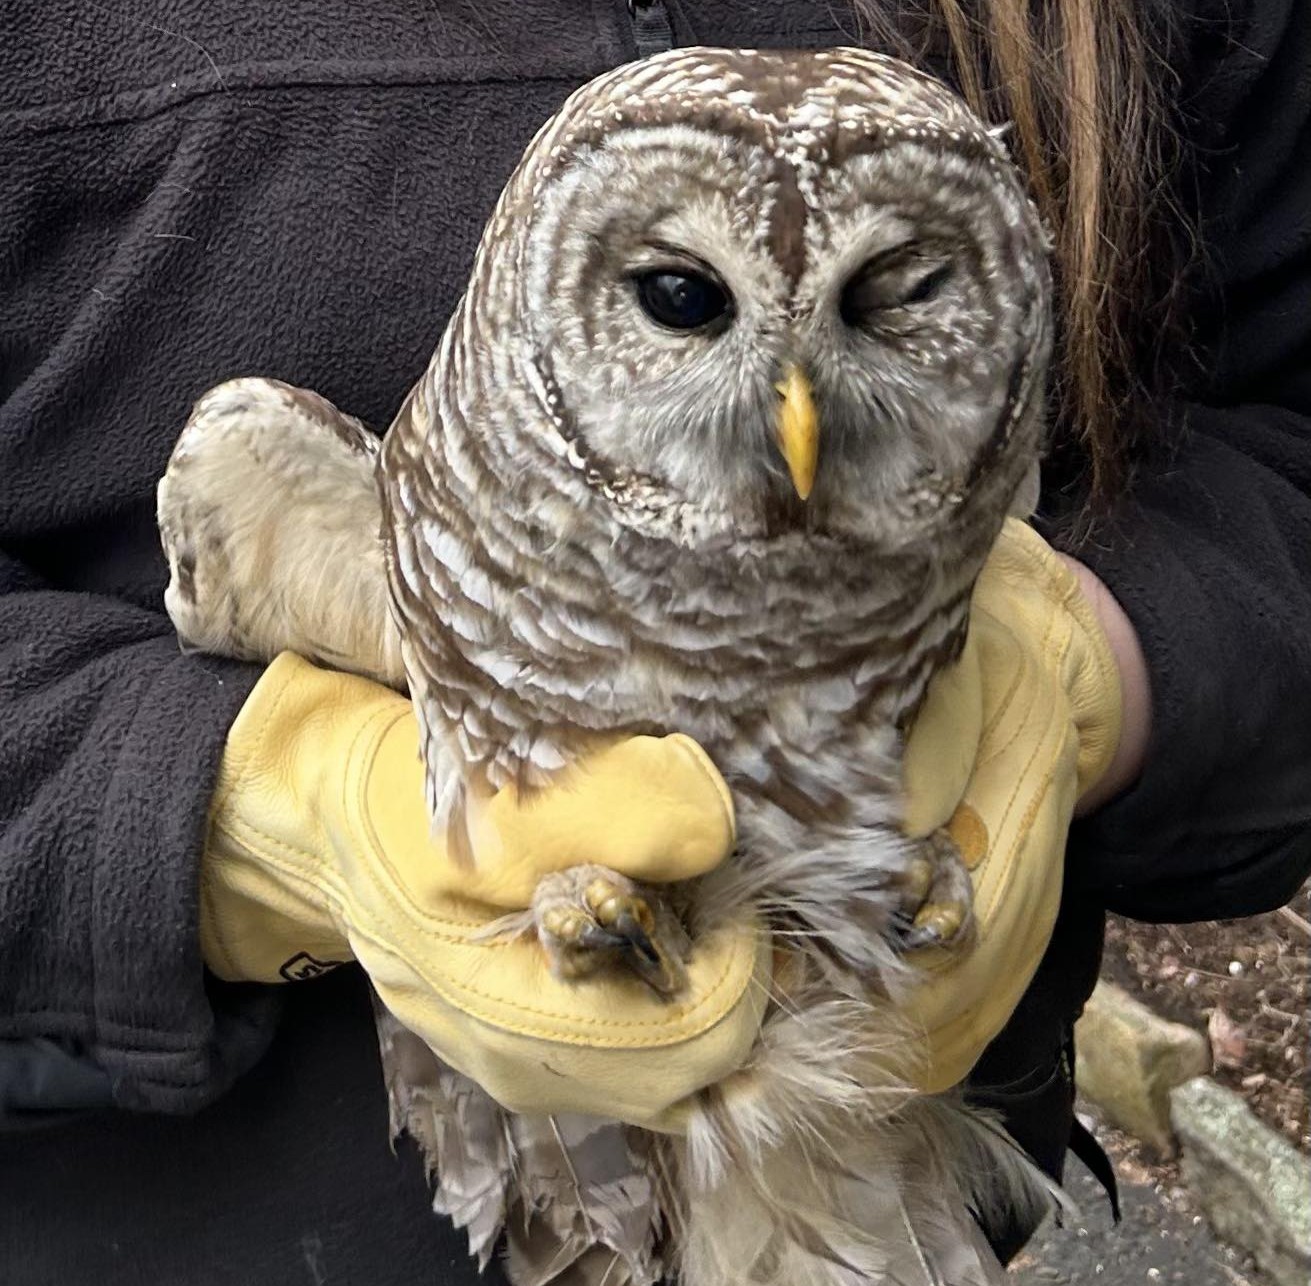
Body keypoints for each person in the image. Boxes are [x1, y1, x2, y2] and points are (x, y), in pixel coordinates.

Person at [1, 1, 1307, 1281]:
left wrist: (1092, 664)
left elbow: (1280, 426)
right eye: (681, 298)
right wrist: (255, 823)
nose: (799, 417)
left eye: (894, 294)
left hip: (876, 1169)